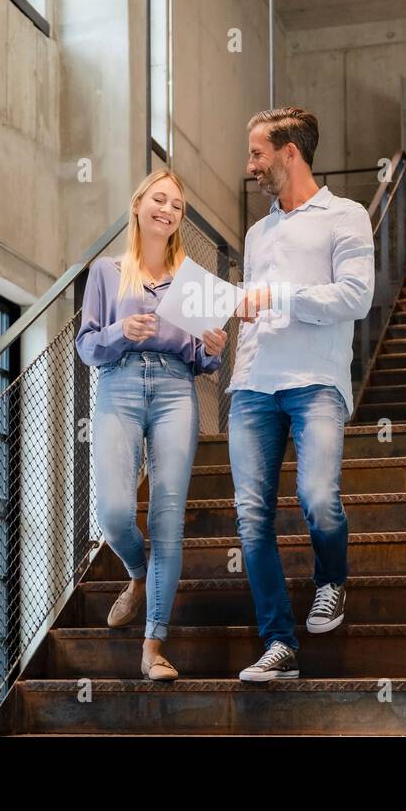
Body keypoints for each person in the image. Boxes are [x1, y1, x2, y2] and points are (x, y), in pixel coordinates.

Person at [227, 106, 375, 683]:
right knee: (251, 518)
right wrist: (228, 320)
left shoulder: (347, 215)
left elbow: (356, 297)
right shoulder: (256, 232)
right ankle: (279, 644)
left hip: (316, 381)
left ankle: (331, 580)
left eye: (258, 153)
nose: (250, 165)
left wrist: (281, 296)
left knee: (317, 497)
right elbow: (254, 306)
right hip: (252, 385)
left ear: (291, 152)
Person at [75, 170, 228, 681]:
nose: (168, 209)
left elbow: (204, 364)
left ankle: (153, 645)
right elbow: (88, 346)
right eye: (159, 199)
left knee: (167, 520)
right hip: (119, 385)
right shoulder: (107, 271)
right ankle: (138, 575)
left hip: (174, 391)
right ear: (138, 204)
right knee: (115, 513)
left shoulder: (194, 278)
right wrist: (122, 330)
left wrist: (212, 350)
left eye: (177, 205)